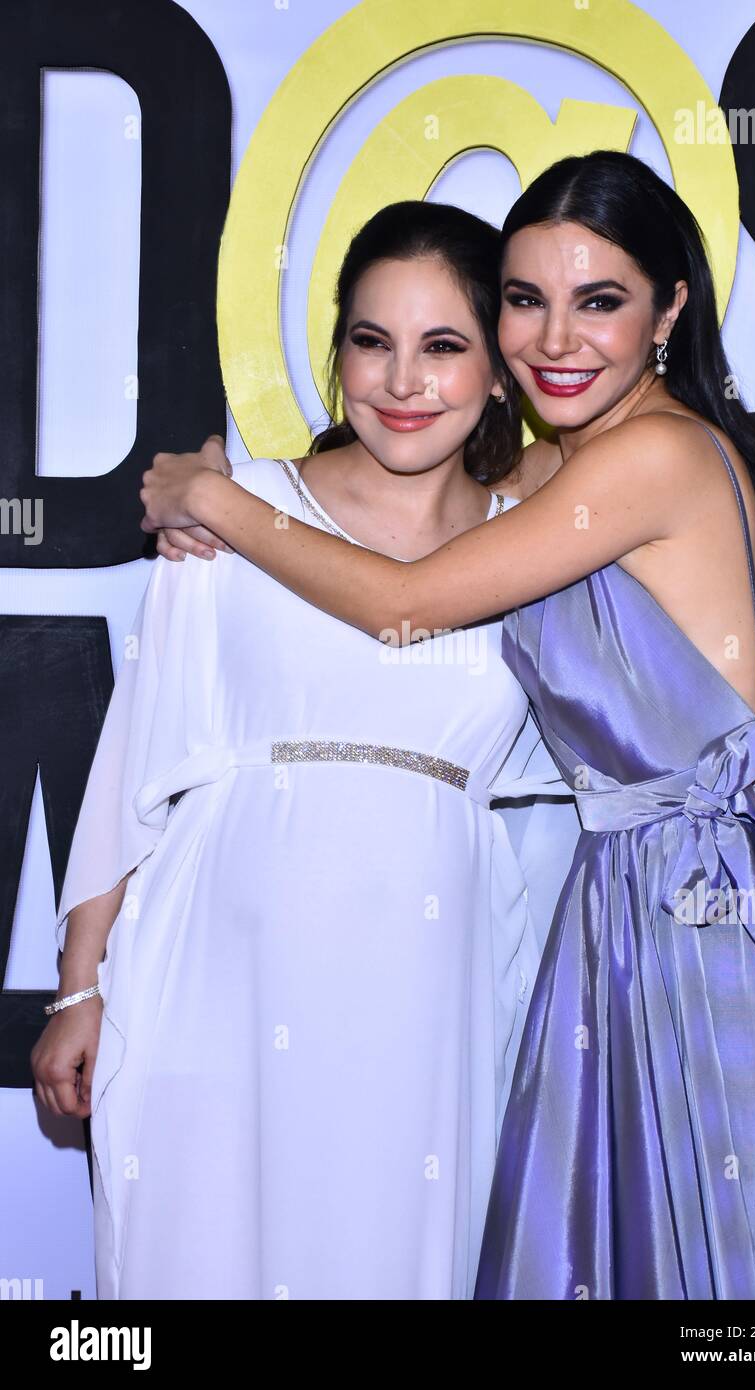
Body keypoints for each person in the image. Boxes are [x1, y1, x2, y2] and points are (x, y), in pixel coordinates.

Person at [139, 153, 755, 1300]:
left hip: (701, 908)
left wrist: (214, 499)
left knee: (726, 1262)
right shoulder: (549, 472)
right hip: (630, 896)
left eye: (600, 300)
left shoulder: (650, 455)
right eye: (524, 300)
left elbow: (403, 603)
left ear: (669, 309)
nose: (554, 340)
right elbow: (432, 522)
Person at [33, 202, 579, 1300]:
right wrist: (76, 987)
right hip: (218, 965)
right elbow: (137, 755)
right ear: (335, 353)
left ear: (494, 373)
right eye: (371, 341)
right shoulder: (235, 513)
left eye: (441, 347)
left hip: (433, 987)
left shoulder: (536, 551)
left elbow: (643, 718)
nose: (401, 381)